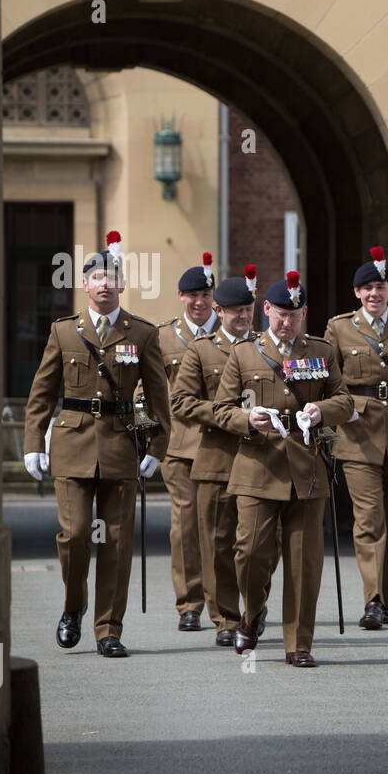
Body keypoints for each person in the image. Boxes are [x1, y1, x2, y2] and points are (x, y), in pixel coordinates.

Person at [23, 230, 170, 658]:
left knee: (117, 541)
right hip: (71, 444)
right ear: (84, 285)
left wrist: (156, 448)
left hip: (122, 446)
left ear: (122, 285)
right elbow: (42, 392)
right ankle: (73, 607)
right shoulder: (64, 332)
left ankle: (108, 628)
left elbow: (159, 397)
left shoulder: (142, 334)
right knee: (73, 535)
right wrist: (34, 441)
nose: (104, 284)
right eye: (96, 277)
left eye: (112, 277)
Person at [212, 270, 355, 667]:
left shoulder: (322, 352)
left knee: (304, 561)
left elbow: (345, 402)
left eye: (294, 315)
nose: (286, 323)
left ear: (304, 313)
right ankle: (253, 611)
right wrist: (246, 419)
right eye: (279, 314)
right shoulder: (244, 353)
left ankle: (298, 643)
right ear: (266, 310)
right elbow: (222, 409)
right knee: (250, 553)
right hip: (258, 466)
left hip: (306, 468)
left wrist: (321, 410)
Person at [170, 264, 275, 646]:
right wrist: (231, 417)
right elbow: (180, 402)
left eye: (248, 309)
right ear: (219, 312)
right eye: (235, 311)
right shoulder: (200, 351)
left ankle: (256, 606)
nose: (243, 316)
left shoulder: (268, 346)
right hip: (216, 456)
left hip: (264, 457)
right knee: (217, 541)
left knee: (261, 543)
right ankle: (226, 619)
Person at [323, 246, 388, 629]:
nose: (374, 294)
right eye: (366, 288)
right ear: (356, 293)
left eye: (380, 287)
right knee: (369, 520)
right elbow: (329, 380)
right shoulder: (339, 327)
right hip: (358, 434)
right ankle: (372, 600)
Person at [157, 252, 217, 632]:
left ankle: (225, 599)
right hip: (179, 444)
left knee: (224, 526)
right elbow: (147, 388)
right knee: (184, 526)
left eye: (205, 295)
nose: (198, 302)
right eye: (191, 295)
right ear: (181, 296)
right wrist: (149, 438)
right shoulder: (163, 336)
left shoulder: (236, 332)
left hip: (224, 441)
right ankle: (190, 603)